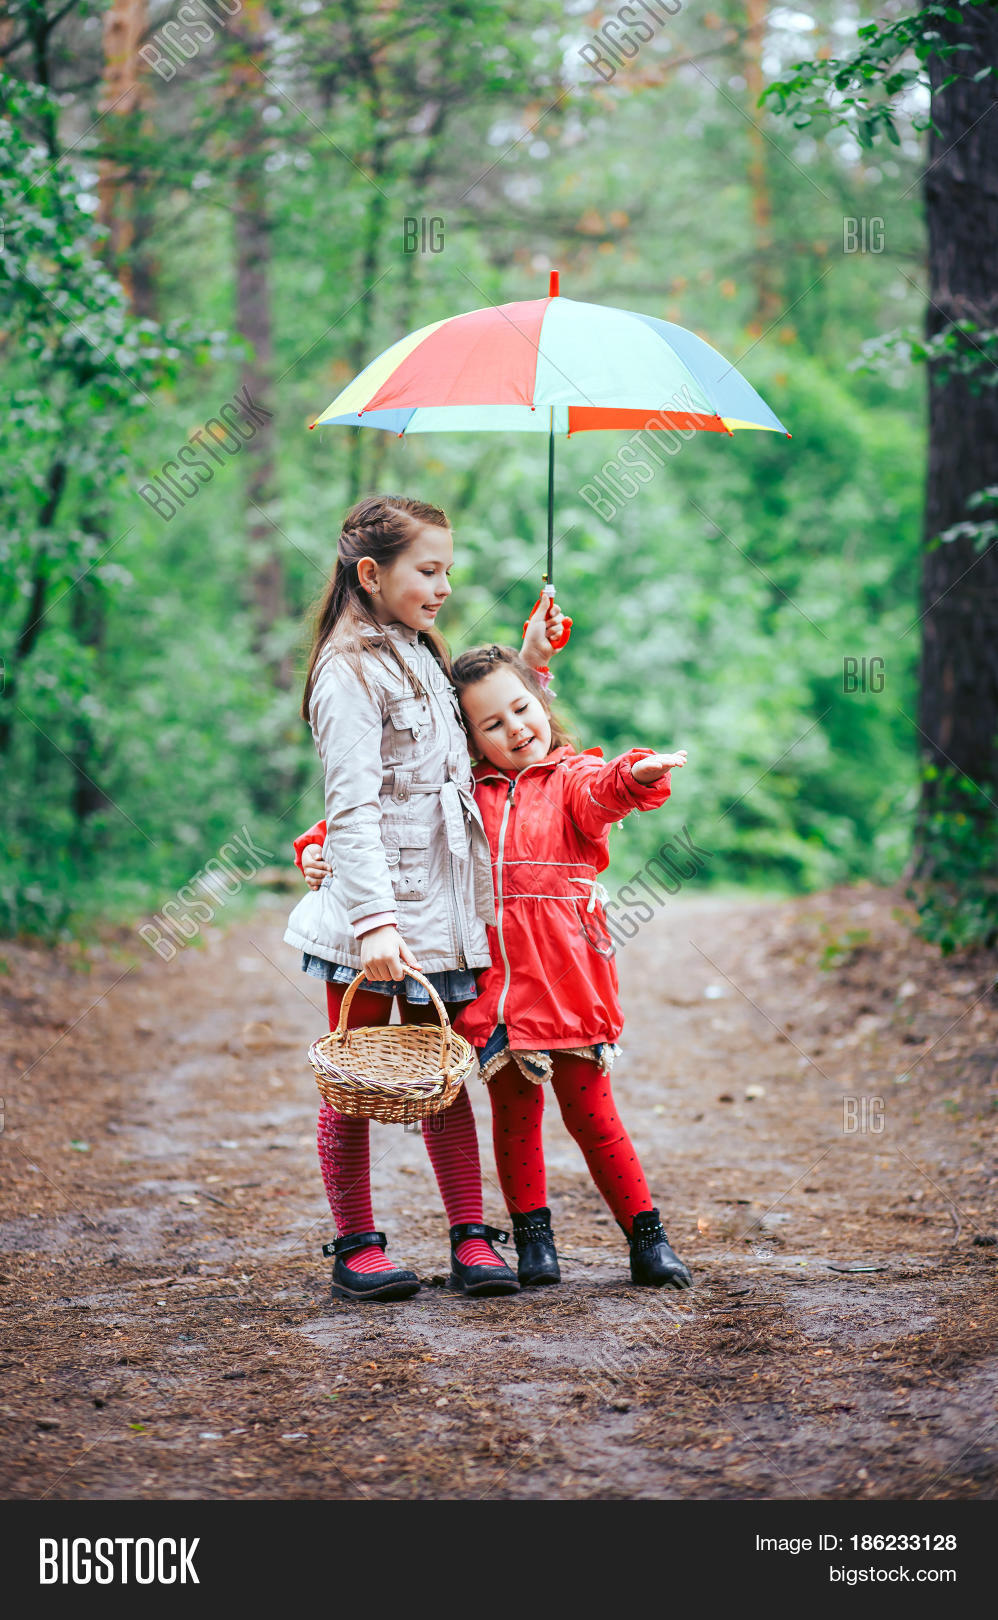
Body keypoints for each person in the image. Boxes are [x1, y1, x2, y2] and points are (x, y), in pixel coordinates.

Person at [300, 638, 693, 1292]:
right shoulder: (463, 792)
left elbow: (606, 792)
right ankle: (534, 1244)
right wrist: (316, 845)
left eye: (521, 709)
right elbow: (385, 814)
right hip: (500, 1000)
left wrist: (638, 773)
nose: (515, 729)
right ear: (471, 738)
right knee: (514, 1118)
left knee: (594, 1116)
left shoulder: (570, 781)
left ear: (540, 700)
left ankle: (647, 1238)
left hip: (568, 991)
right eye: (493, 723)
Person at [287, 493, 563, 1302]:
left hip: (440, 906)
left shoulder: (418, 649)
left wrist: (531, 661)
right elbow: (356, 802)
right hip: (376, 916)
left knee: (441, 1070)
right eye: (428, 569)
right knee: (358, 1074)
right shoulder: (347, 669)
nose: (444, 585)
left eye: (448, 569)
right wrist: (372, 922)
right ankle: (355, 1244)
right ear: (371, 574)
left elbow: (474, 748)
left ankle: (470, 1236)